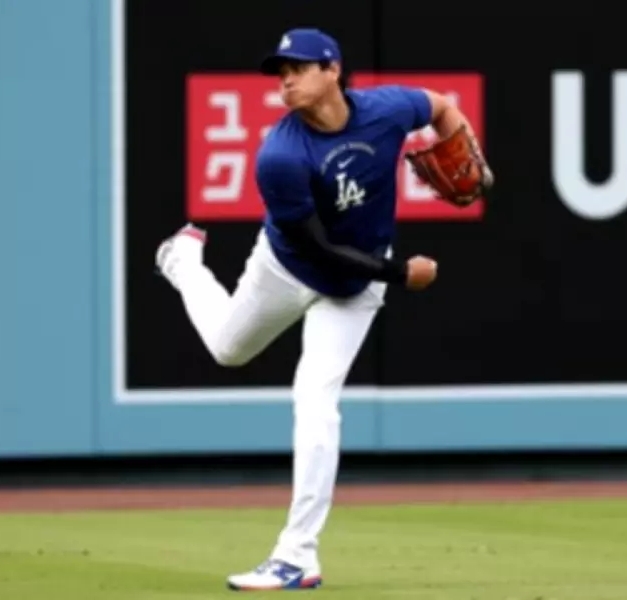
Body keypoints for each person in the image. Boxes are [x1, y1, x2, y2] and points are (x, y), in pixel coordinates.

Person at [155, 27, 490, 592]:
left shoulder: (385, 110)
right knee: (227, 351)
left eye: (299, 67)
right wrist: (400, 273)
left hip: (353, 289)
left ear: (333, 70)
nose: (285, 79)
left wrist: (473, 162)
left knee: (315, 402)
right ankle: (183, 260)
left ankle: (296, 556)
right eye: (280, 71)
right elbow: (316, 247)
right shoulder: (280, 154)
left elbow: (441, 106)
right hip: (288, 269)